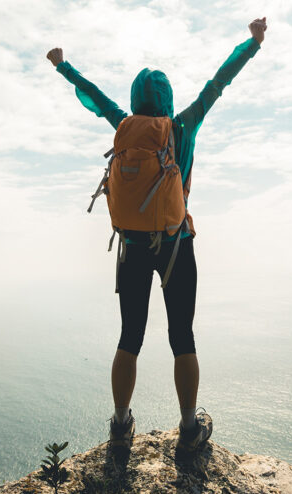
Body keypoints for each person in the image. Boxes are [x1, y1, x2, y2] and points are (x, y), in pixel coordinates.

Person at [46, 17, 267, 453]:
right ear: (166, 100)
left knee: (130, 335)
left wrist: (63, 67)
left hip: (131, 246)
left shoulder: (124, 126)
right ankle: (188, 428)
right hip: (175, 245)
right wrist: (252, 43)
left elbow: (95, 97)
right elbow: (217, 83)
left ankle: (119, 424)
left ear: (135, 100)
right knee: (181, 335)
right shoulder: (181, 127)